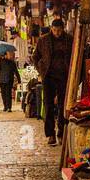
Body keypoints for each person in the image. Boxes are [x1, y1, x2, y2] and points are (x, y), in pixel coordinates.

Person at [33, 17, 73, 145]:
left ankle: (61, 132)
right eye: (55, 30)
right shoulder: (43, 40)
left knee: (63, 104)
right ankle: (50, 134)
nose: (57, 33)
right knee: (48, 105)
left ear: (63, 29)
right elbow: (36, 56)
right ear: (51, 29)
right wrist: (41, 70)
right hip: (48, 76)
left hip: (63, 76)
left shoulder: (69, 40)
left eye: (59, 30)